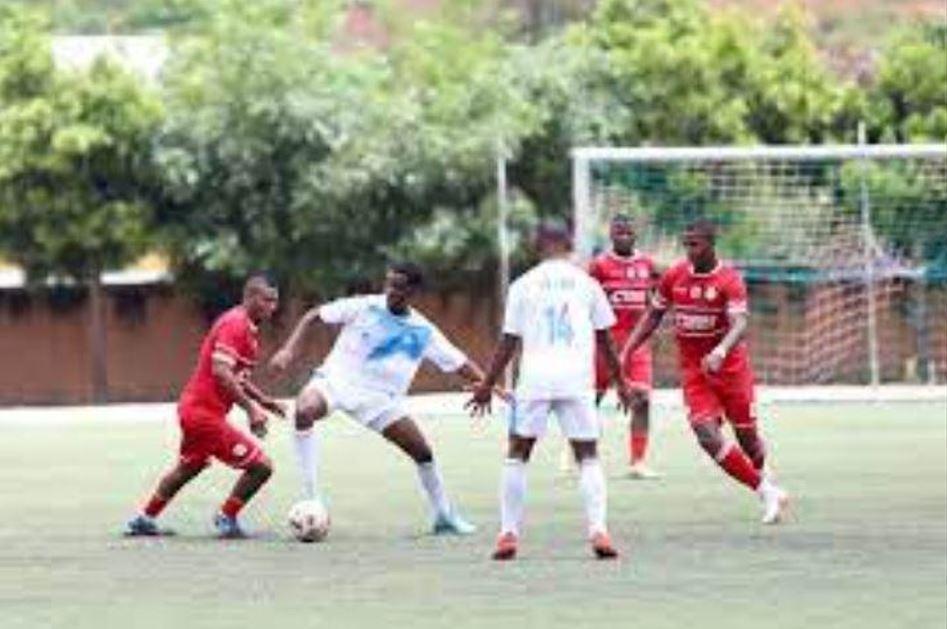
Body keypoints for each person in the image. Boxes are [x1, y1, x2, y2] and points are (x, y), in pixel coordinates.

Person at [269, 262, 488, 535]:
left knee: (422, 452)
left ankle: (444, 516)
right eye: (389, 284)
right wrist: (288, 350)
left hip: (380, 401)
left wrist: (487, 384)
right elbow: (314, 315)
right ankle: (312, 497)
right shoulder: (365, 306)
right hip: (337, 383)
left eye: (399, 286)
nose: (391, 291)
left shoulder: (423, 331)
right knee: (304, 410)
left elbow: (458, 362)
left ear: (413, 291)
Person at [468, 221, 633, 561]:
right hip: (576, 379)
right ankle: (598, 530)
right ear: (569, 243)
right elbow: (606, 339)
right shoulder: (587, 284)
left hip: (536, 379)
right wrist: (620, 381)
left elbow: (508, 341)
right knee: (588, 454)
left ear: (537, 244)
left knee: (517, 453)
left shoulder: (522, 285)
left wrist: (487, 384)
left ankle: (508, 533)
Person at [622, 219, 789, 524]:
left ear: (711, 244)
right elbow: (652, 317)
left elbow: (739, 323)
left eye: (695, 244)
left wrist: (720, 350)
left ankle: (764, 474)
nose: (689, 250)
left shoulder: (729, 280)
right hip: (696, 373)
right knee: (706, 435)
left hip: (732, 371)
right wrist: (626, 351)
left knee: (748, 440)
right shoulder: (674, 276)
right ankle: (765, 490)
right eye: (686, 244)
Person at [125, 274, 285, 538]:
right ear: (250, 297)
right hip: (203, 414)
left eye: (275, 301)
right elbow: (222, 372)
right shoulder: (235, 324)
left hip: (194, 410)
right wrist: (250, 410)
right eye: (267, 300)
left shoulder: (248, 330)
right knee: (261, 467)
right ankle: (227, 517)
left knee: (190, 466)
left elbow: (236, 377)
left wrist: (263, 401)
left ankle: (144, 519)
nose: (272, 307)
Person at [575, 214, 661, 478]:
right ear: (611, 235)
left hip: (636, 346)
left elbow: (657, 301)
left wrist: (653, 330)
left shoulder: (647, 264)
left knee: (643, 399)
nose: (624, 236)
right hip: (604, 344)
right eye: (619, 232)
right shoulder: (599, 266)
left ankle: (637, 461)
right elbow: (584, 303)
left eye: (628, 232)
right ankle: (581, 453)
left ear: (636, 234)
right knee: (591, 401)